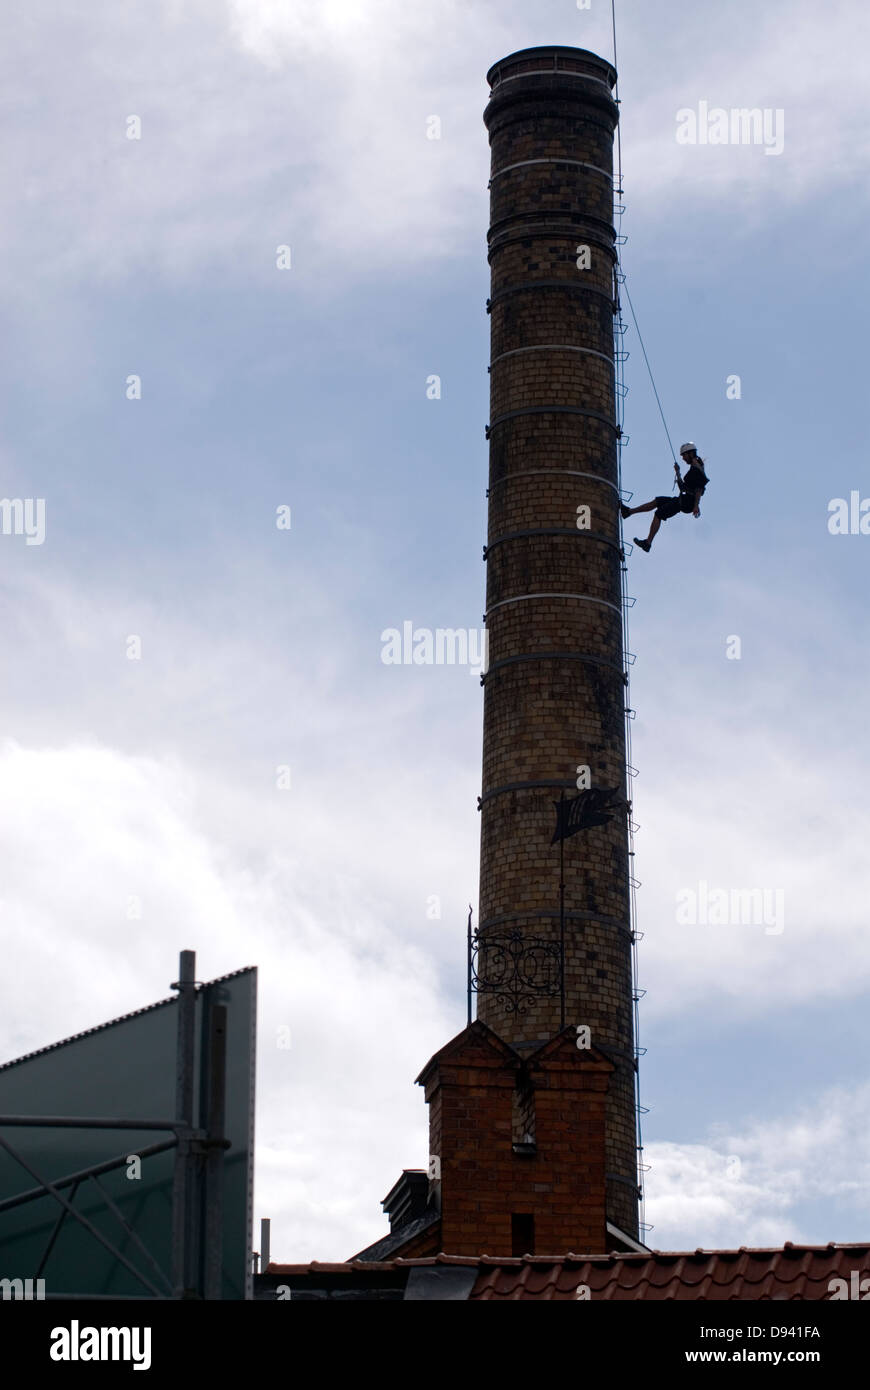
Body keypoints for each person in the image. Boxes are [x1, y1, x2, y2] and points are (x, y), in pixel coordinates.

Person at [620, 442, 709, 552]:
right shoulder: (695, 467)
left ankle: (648, 543)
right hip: (683, 500)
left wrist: (696, 506)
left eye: (684, 455)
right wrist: (678, 473)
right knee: (657, 501)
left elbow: (699, 489)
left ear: (690, 454)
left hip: (687, 502)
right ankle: (628, 512)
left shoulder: (697, 468)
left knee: (659, 514)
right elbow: (683, 488)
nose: (683, 458)